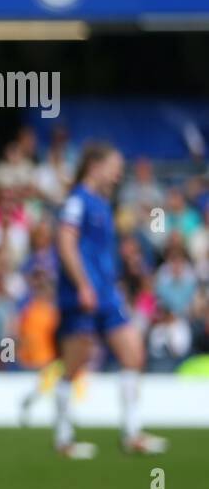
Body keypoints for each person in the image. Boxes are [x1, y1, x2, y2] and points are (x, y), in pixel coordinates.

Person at [53, 142, 167, 458]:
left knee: (133, 353)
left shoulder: (102, 204)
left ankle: (132, 433)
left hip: (107, 294)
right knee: (75, 365)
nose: (118, 174)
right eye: (114, 167)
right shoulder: (78, 201)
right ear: (95, 166)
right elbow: (65, 242)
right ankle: (64, 437)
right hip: (83, 295)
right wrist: (83, 284)